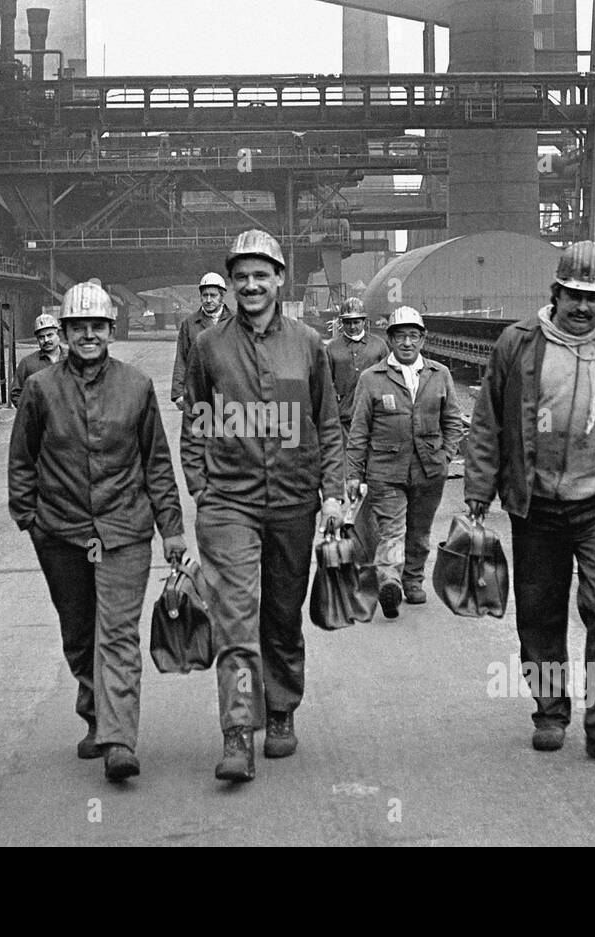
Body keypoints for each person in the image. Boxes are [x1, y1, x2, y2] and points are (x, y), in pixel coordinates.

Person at [464, 241, 595, 768]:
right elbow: (488, 420)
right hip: (538, 507)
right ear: (554, 293)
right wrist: (478, 492)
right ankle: (551, 712)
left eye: (593, 298)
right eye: (573, 295)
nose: (582, 307)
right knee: (540, 615)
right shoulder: (519, 345)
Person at [181, 229, 344, 782]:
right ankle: (236, 731)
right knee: (235, 617)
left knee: (281, 615)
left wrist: (335, 494)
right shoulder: (209, 347)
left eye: (261, 275)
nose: (251, 285)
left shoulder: (308, 344)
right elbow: (196, 420)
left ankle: (280, 711)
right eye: (241, 276)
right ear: (231, 283)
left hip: (295, 501)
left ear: (279, 280)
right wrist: (202, 488)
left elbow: (328, 423)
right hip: (229, 502)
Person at [9, 281, 185, 782]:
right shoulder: (42, 389)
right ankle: (94, 709)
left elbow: (156, 462)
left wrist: (171, 526)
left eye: (97, 327)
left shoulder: (136, 386)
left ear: (111, 330)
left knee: (118, 634)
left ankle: (119, 739)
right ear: (63, 333)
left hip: (125, 530)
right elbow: (21, 459)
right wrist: (30, 518)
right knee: (79, 631)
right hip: (61, 533)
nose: (88, 335)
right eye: (78, 327)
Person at [346, 306, 465, 618]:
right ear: (391, 340)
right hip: (386, 470)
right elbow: (359, 430)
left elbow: (453, 422)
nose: (408, 343)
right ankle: (390, 580)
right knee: (391, 530)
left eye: (414, 336)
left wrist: (445, 455)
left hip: (429, 469)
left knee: (420, 531)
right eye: (401, 336)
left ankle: (413, 580)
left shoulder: (440, 375)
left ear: (423, 339)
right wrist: (353, 473)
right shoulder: (372, 379)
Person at [326, 296, 390, 446]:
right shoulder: (332, 348)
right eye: (348, 323)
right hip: (344, 418)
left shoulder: (379, 346)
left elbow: (390, 379)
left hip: (375, 416)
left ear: (364, 321)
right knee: (348, 461)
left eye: (356, 322)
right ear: (342, 322)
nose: (352, 327)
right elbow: (325, 384)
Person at [171, 272, 232, 412]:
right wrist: (178, 393)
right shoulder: (189, 324)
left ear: (222, 297)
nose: (208, 300)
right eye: (205, 295)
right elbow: (181, 358)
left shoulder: (236, 321)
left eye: (213, 295)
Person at [9, 312, 64, 407]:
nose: (46, 340)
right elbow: (16, 394)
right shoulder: (27, 363)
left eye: (49, 335)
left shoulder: (73, 359)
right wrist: (31, 413)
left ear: (58, 334)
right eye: (41, 337)